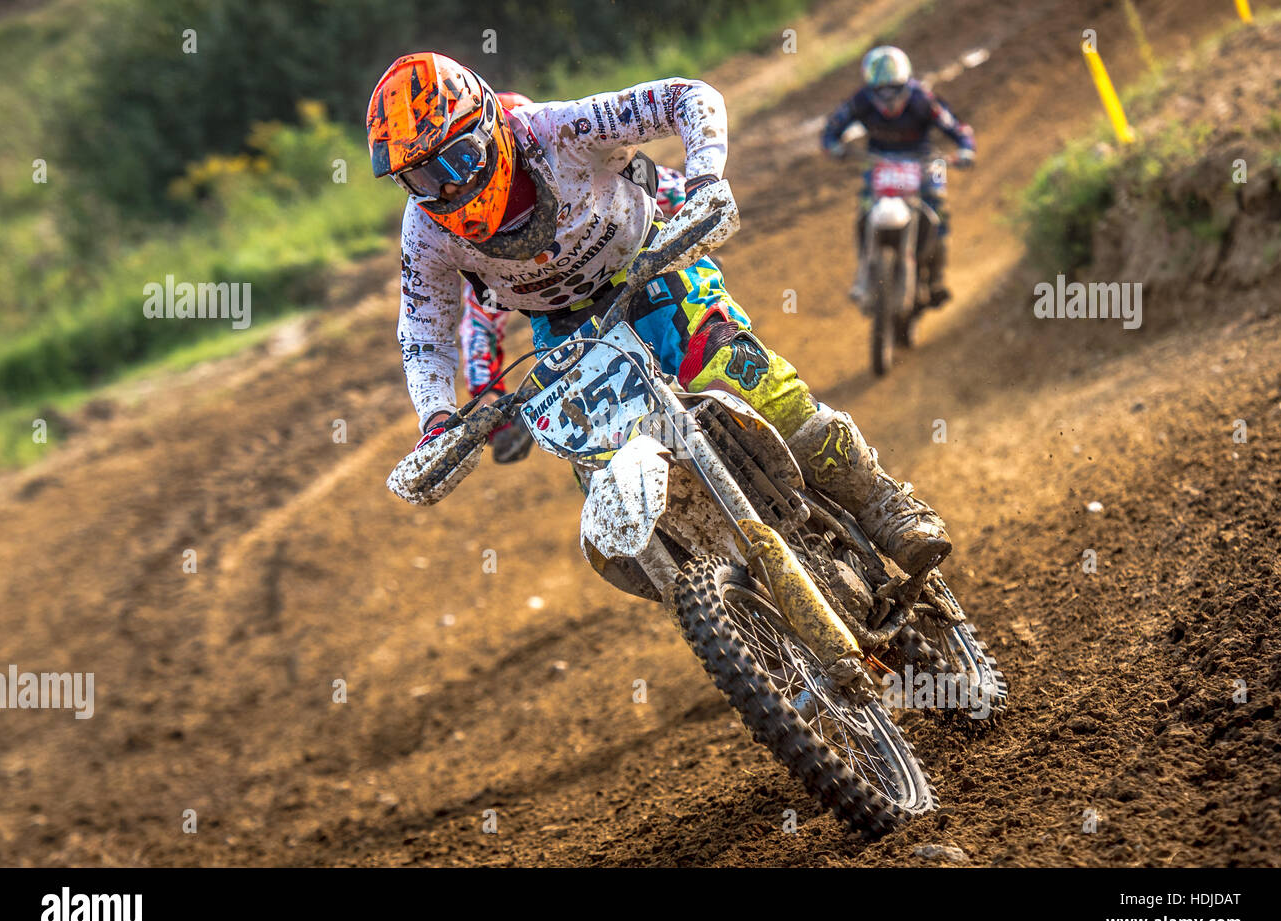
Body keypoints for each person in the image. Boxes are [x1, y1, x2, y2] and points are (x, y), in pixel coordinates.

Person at [368, 52, 951, 576]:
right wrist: (437, 423)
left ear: (489, 125)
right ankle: (726, 606)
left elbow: (688, 97)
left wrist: (704, 182)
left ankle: (880, 501)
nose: (446, 189)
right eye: (420, 177)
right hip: (564, 332)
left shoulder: (555, 130)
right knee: (605, 485)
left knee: (746, 378)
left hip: (653, 269)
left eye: (458, 160)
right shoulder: (426, 230)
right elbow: (424, 330)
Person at [459, 91, 691, 464]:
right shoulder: (487, 242)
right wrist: (494, 410)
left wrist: (694, 235)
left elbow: (665, 185)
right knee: (604, 461)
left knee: (716, 364)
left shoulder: (581, 155)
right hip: (572, 329)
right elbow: (477, 328)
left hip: (646, 281)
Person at [821, 45, 976, 306]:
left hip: (923, 162)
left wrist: (965, 149)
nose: (888, 95)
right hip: (879, 164)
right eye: (881, 89)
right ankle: (864, 274)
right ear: (870, 86)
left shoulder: (922, 99)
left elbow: (955, 126)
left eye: (893, 87)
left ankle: (936, 278)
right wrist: (833, 145)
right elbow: (832, 127)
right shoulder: (860, 101)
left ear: (905, 80)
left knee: (938, 212)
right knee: (864, 212)